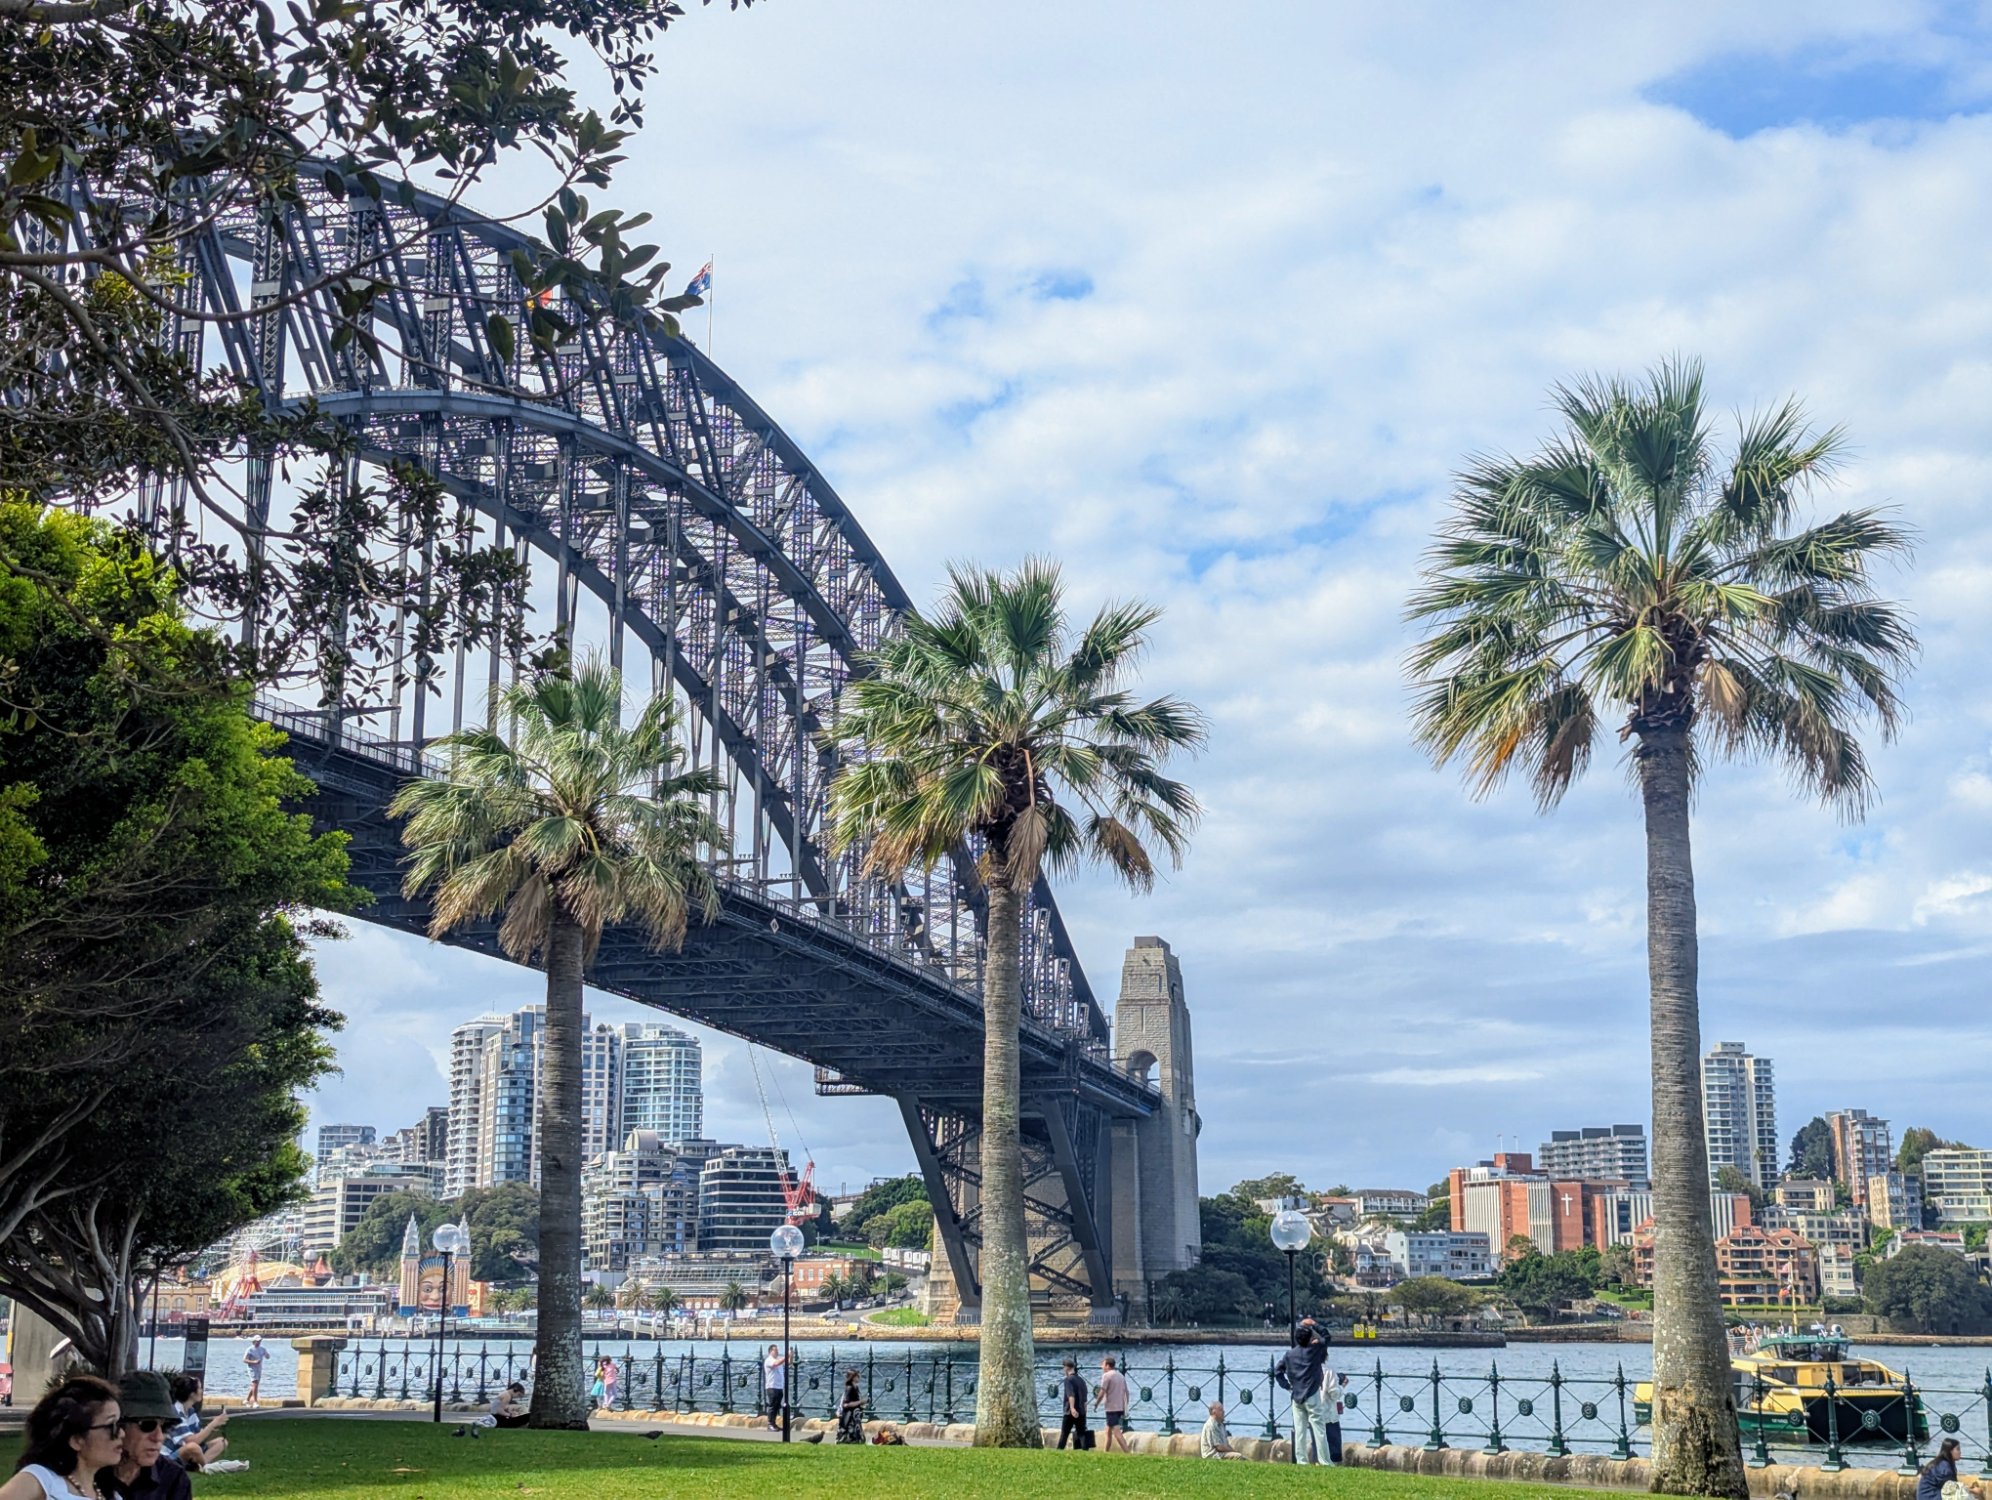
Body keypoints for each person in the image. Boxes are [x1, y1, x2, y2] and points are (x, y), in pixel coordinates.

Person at [1, 1373, 124, 1500]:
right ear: (76, 1440)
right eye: (111, 1426)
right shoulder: (44, 1480)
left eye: (120, 1424)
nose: (122, 1433)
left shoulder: (112, 1495)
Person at [98, 1372, 192, 1500]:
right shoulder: (90, 1475)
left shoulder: (173, 1479)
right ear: (119, 1426)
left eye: (165, 1426)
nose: (158, 1437)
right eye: (147, 1425)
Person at [1274, 1318, 1331, 1465]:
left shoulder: (1289, 1354)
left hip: (1296, 1395)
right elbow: (1327, 1336)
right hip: (1312, 1393)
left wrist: (1287, 1386)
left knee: (1299, 1430)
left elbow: (1277, 1371)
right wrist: (1314, 1324)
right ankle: (1324, 1460)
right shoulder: (1314, 1349)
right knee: (1319, 1429)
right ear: (1310, 1338)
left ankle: (1301, 1460)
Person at [163, 1375, 228, 1471]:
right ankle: (204, 1466)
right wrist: (212, 1424)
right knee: (193, 1447)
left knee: (222, 1442)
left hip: (185, 1449)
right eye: (199, 1388)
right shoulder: (176, 1412)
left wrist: (214, 1425)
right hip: (170, 1455)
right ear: (192, 1394)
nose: (202, 1391)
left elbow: (199, 1437)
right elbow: (191, 1441)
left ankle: (200, 1465)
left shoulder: (190, 1411)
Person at [1097, 1356, 1129, 1453]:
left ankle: (1127, 1452)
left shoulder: (1106, 1376)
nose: (1102, 1367)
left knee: (1116, 1432)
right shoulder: (1120, 1376)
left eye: (1103, 1365)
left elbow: (1102, 1391)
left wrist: (1096, 1403)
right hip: (1120, 1407)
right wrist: (1125, 1406)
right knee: (1108, 1431)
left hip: (1111, 1408)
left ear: (1107, 1365)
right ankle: (1105, 1451)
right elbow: (1127, 1392)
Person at [1056, 1358, 1089, 1450]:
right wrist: (1084, 1411)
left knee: (1064, 1434)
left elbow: (1071, 1395)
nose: (1063, 1370)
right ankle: (1085, 1450)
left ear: (1066, 1368)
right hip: (1081, 1410)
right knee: (1081, 1433)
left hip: (1070, 1411)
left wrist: (1072, 1408)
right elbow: (1085, 1398)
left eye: (1063, 1368)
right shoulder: (1081, 1380)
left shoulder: (1068, 1380)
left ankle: (1059, 1451)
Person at [1324, 1369, 1347, 1465]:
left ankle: (1319, 1459)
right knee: (1333, 1439)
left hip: (1316, 1410)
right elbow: (1334, 1394)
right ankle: (1334, 1461)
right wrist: (1341, 1387)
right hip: (1329, 1413)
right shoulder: (1328, 1372)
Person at [762, 1345, 786, 1433]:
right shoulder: (769, 1360)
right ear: (770, 1351)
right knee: (772, 1405)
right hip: (772, 1386)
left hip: (779, 1386)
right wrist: (786, 1356)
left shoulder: (778, 1360)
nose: (777, 1352)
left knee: (776, 1406)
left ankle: (774, 1423)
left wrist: (790, 1356)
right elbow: (776, 1363)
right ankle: (770, 1424)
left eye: (777, 1350)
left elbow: (789, 1363)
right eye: (775, 1350)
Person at [836, 1370, 865, 1445]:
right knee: (850, 1430)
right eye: (857, 1376)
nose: (859, 1377)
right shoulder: (850, 1388)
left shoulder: (856, 1387)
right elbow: (846, 1404)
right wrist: (860, 1402)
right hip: (849, 1414)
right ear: (853, 1377)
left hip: (855, 1412)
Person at [241, 1335, 268, 1409]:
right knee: (255, 1384)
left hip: (259, 1369)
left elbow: (267, 1356)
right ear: (254, 1341)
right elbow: (244, 1360)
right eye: (257, 1341)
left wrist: (267, 1355)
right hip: (252, 1368)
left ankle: (247, 1400)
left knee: (255, 1385)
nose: (259, 1342)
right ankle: (255, 1402)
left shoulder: (262, 1349)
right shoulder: (250, 1349)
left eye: (260, 1341)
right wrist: (254, 1362)